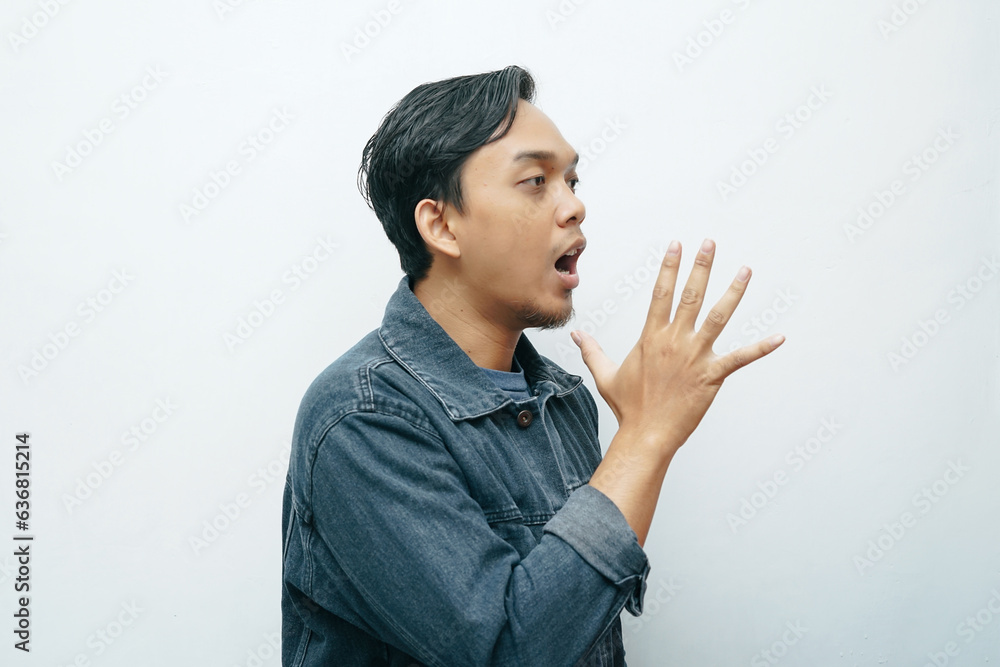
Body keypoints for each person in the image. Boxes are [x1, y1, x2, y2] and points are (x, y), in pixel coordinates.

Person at [280, 65, 784, 666]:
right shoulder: (362, 418)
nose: (575, 206)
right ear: (442, 224)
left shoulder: (562, 400)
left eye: (572, 180)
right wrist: (645, 437)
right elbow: (508, 652)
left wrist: (638, 438)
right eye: (536, 181)